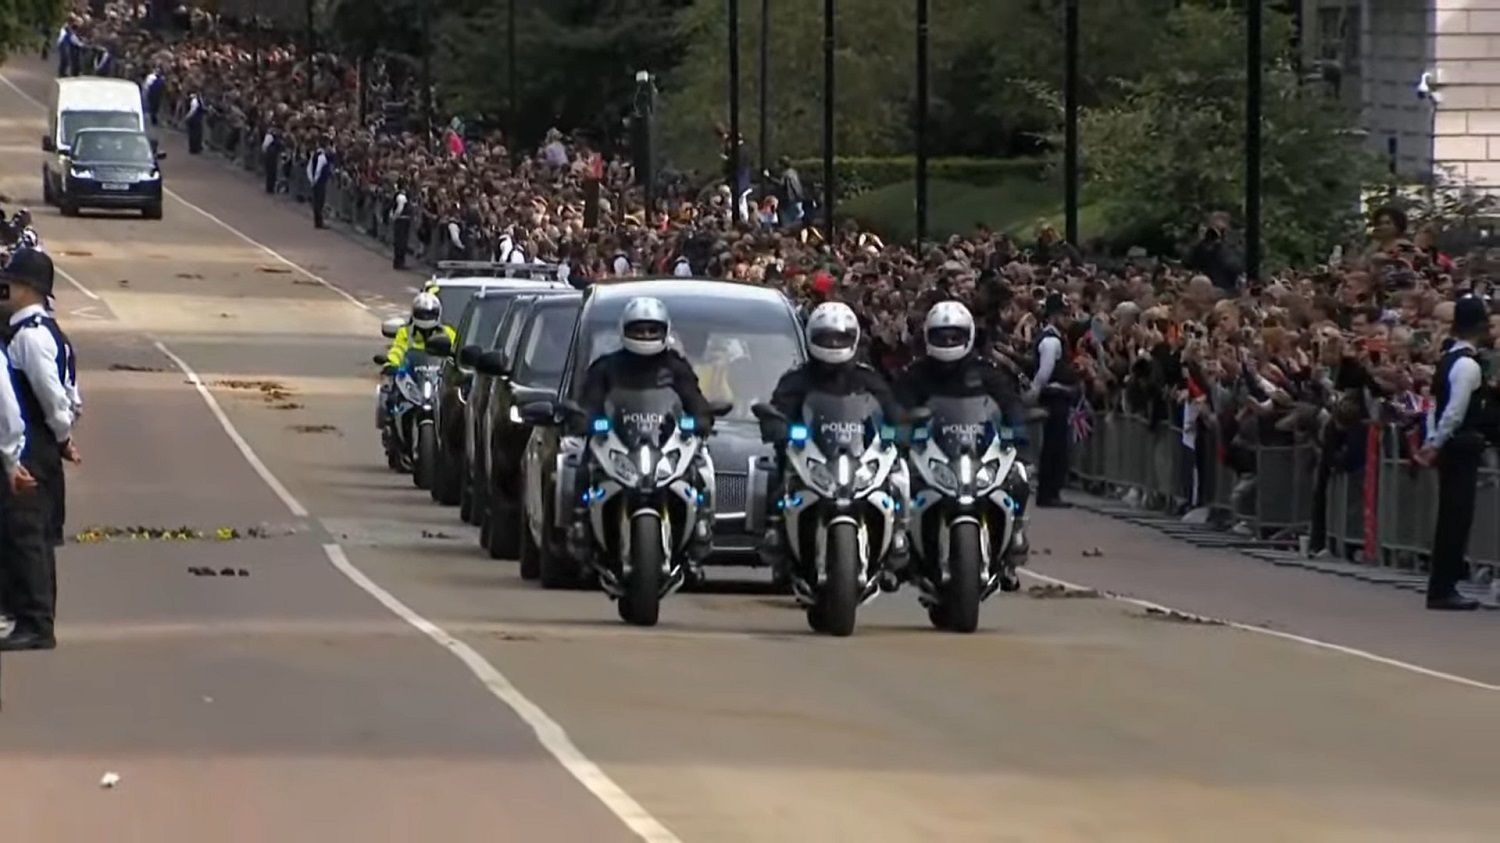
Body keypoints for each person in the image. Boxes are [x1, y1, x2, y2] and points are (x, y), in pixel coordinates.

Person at [761, 302, 910, 584]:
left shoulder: (867, 378)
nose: (832, 344)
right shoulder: (797, 379)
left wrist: (902, 427)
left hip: (858, 456)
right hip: (812, 455)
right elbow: (778, 409)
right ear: (812, 338)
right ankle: (776, 531)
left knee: (896, 477)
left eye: (839, 338)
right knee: (781, 470)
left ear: (853, 339)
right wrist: (775, 424)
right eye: (826, 338)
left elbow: (890, 409)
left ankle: (898, 535)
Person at [571, 297, 716, 564]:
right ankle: (580, 522)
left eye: (652, 330)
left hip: (663, 443)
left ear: (665, 331)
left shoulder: (675, 366)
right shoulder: (606, 367)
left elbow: (694, 399)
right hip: (619, 442)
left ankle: (701, 525)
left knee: (700, 464)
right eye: (639, 330)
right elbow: (589, 402)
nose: (646, 335)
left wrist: (702, 418)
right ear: (624, 330)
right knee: (583, 461)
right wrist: (584, 419)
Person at [895, 301, 1030, 588]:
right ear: (928, 336)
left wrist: (1017, 425)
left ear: (968, 335)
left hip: (978, 449)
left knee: (1018, 476)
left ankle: (1014, 538)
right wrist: (899, 429)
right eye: (941, 336)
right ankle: (901, 545)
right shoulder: (915, 373)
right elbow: (898, 406)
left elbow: (1009, 401)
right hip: (930, 452)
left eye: (954, 336)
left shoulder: (986, 371)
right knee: (899, 481)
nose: (948, 342)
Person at [0, 249, 80, 651]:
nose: (6, 291)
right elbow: (70, 394)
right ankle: (27, 614)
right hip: (40, 442)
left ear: (28, 288)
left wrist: (59, 435)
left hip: (30, 443)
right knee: (32, 534)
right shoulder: (49, 331)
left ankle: (35, 621)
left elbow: (49, 397)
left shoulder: (29, 337)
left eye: (11, 284)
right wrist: (63, 435)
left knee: (27, 534)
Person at [1413, 295, 1490, 611]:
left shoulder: (1446, 360)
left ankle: (1443, 583)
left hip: (1448, 445)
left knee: (1449, 515)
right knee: (1456, 517)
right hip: (1461, 446)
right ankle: (1444, 587)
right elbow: (1455, 411)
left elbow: (1434, 406)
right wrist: (1437, 443)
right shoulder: (1468, 365)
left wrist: (1432, 438)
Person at [1026, 292, 1078, 507]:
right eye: (1064, 315)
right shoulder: (1051, 341)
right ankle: (1048, 492)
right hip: (1055, 398)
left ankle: (1050, 492)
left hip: (1057, 397)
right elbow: (1045, 371)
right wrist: (1036, 391)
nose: (1068, 319)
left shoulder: (1055, 338)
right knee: (1054, 446)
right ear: (1054, 316)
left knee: (1056, 445)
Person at [383, 292, 456, 372]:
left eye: (429, 314)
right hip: (410, 375)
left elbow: (456, 352)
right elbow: (398, 350)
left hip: (440, 375)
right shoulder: (405, 331)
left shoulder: (448, 332)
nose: (425, 317)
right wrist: (391, 363)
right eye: (421, 314)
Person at [307, 140, 332, 229]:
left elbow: (309, 167)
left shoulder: (315, 154)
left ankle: (317, 221)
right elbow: (318, 170)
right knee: (319, 202)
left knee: (316, 201)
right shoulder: (322, 156)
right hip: (320, 182)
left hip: (315, 181)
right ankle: (319, 222)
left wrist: (311, 179)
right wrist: (315, 180)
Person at [390, 185, 413, 270]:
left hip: (402, 220)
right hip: (402, 220)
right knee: (401, 241)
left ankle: (399, 261)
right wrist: (395, 217)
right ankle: (399, 262)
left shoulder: (399, 195)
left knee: (400, 241)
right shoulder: (401, 196)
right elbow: (399, 209)